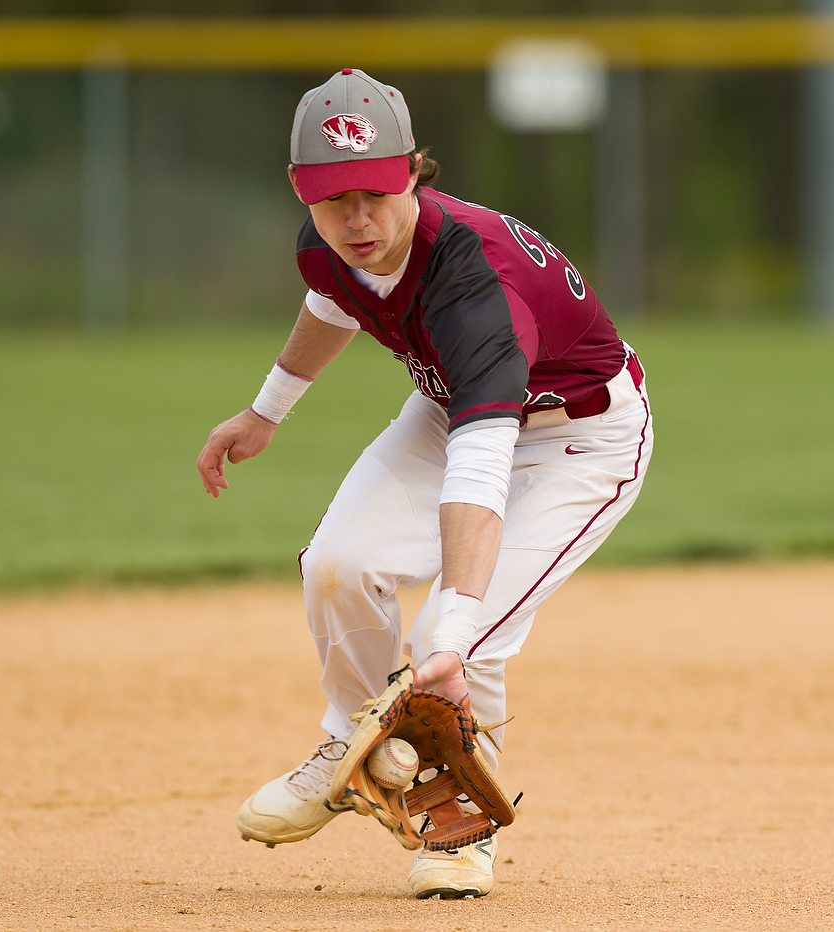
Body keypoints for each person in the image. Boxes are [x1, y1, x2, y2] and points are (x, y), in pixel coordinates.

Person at [195, 68, 652, 900]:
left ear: (413, 173)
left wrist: (453, 632)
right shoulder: (330, 246)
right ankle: (350, 739)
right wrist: (266, 412)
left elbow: (482, 470)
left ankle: (457, 830)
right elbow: (333, 301)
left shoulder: (476, 288)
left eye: (374, 192)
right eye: (334, 200)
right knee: (335, 564)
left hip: (579, 437)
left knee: (453, 633)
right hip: (456, 408)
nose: (357, 219)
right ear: (304, 195)